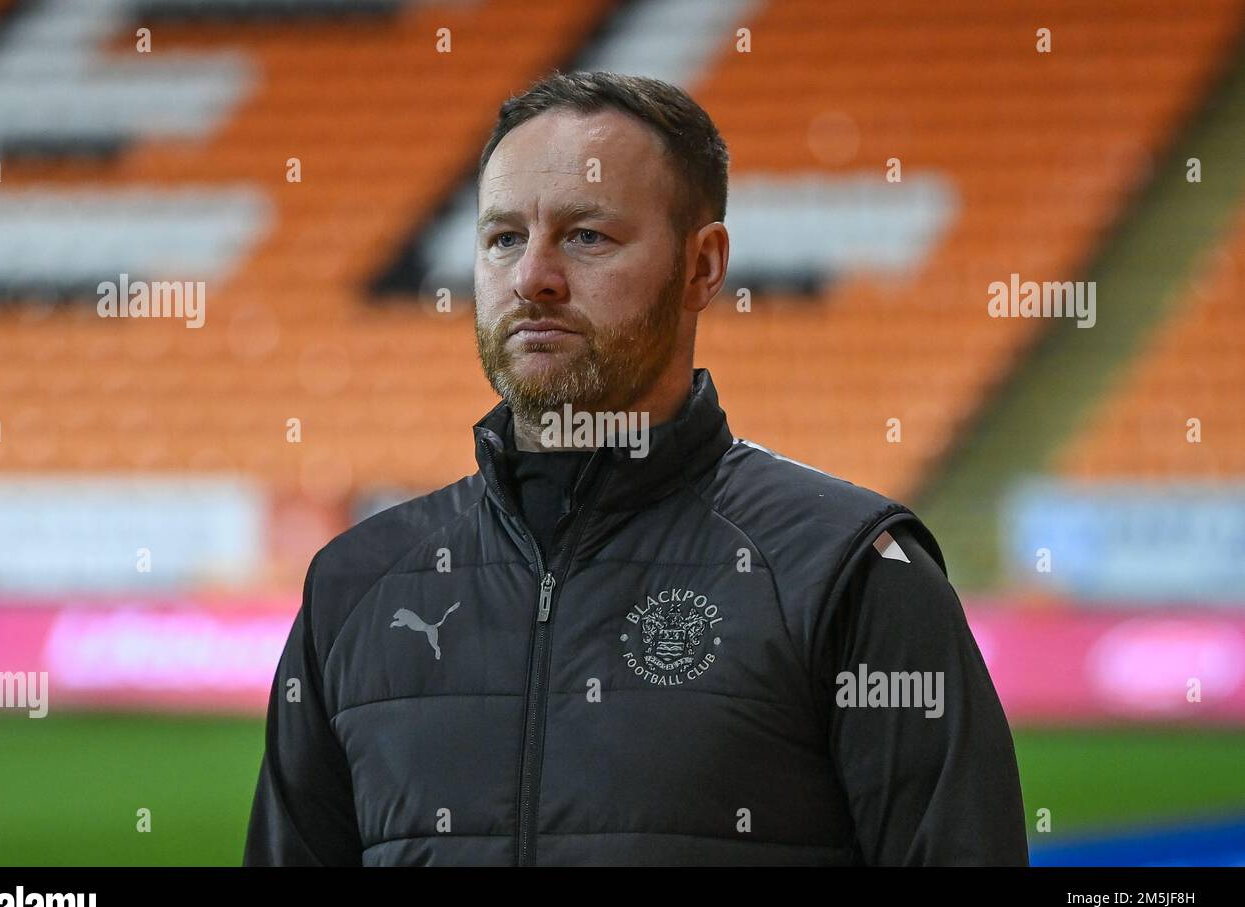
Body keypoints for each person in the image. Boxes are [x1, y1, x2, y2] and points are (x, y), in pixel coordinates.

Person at [243, 69, 1029, 866]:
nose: (532, 277)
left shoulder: (847, 571)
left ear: (702, 267)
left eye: (586, 236)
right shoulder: (356, 586)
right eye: (503, 237)